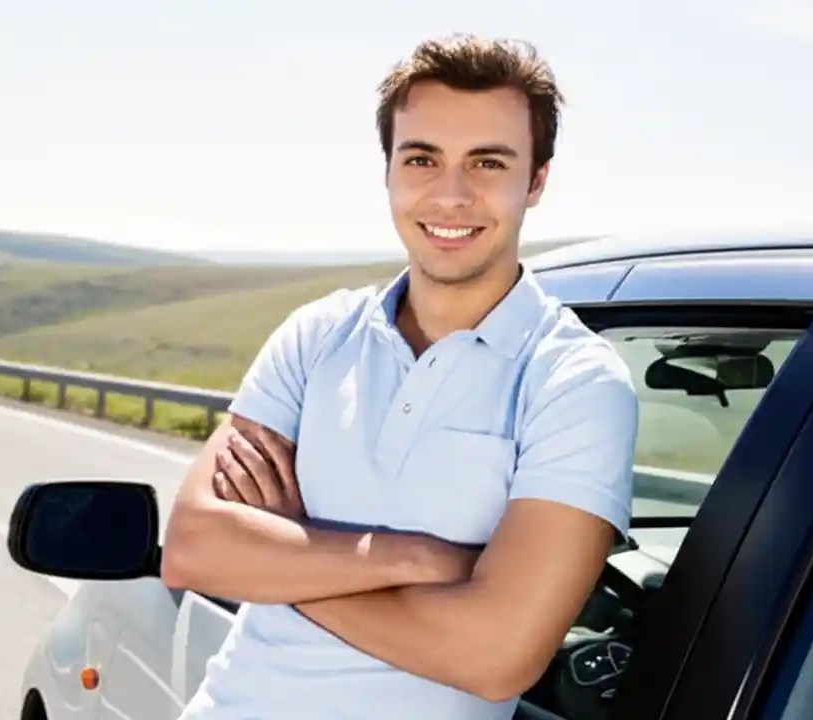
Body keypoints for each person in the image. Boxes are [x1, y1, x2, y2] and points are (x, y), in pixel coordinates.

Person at [160, 33, 639, 720]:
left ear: (535, 181)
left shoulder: (575, 383)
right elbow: (194, 549)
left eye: (487, 162)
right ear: (388, 168)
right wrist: (414, 557)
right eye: (422, 158)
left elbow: (496, 658)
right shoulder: (316, 335)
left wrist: (285, 552)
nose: (451, 195)